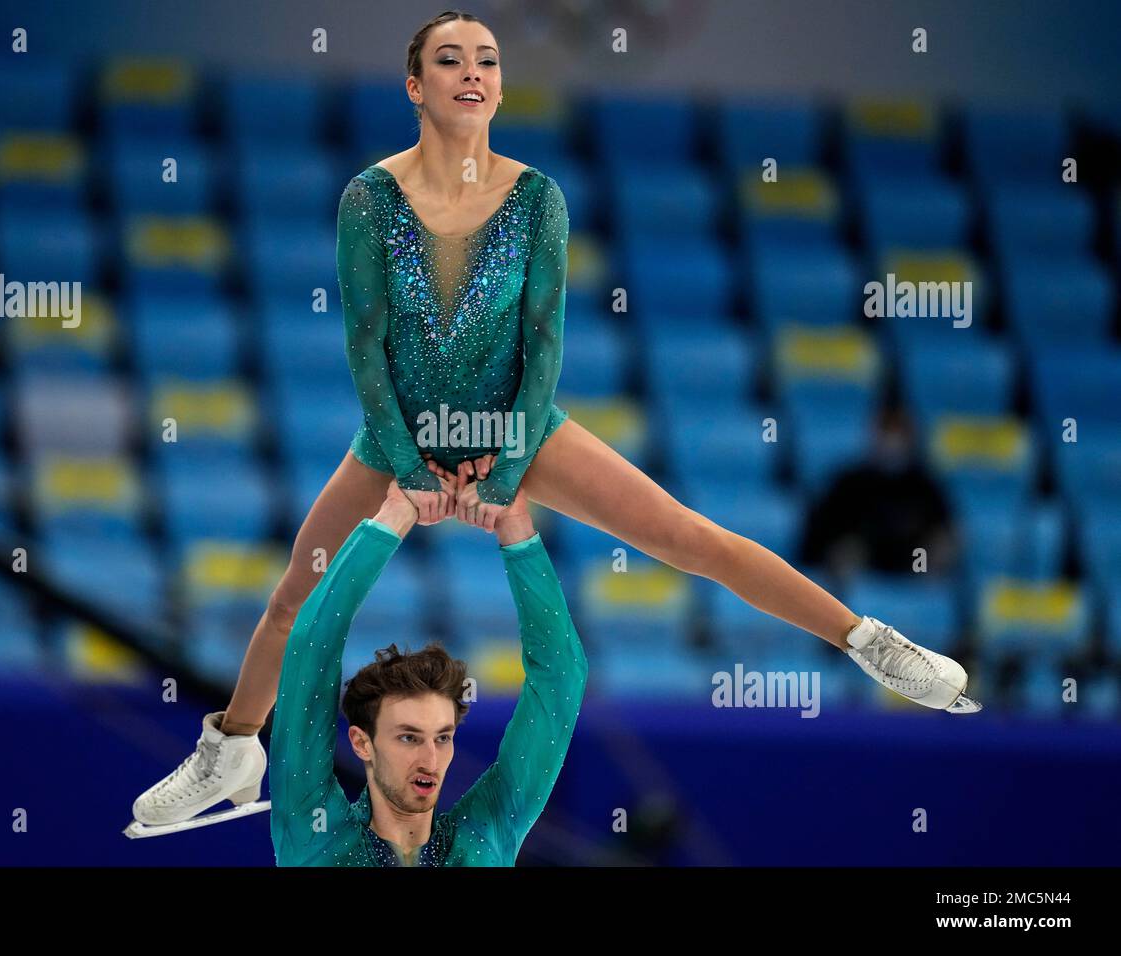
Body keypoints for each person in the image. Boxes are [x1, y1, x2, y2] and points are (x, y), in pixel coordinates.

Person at [131, 8, 979, 835]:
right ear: (414, 86)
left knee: (691, 539)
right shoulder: (370, 198)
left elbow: (544, 342)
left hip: (518, 427)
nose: (473, 73)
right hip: (399, 432)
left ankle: (869, 640)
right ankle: (232, 751)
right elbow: (366, 341)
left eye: (488, 60)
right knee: (292, 596)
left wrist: (503, 464)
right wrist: (407, 459)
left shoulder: (537, 199)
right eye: (452, 60)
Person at [268, 480, 584, 865]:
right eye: (409, 737)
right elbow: (312, 642)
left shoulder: (484, 837)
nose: (430, 760)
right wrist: (394, 515)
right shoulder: (314, 833)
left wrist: (516, 526)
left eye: (443, 737)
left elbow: (561, 677)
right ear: (362, 742)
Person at [800, 404, 958, 578]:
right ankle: (848, 601)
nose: (892, 442)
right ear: (873, 435)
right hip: (860, 573)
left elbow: (946, 531)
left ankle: (922, 603)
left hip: (911, 571)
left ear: (911, 437)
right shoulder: (849, 483)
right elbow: (817, 537)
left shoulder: (926, 485)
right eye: (886, 431)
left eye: (898, 433)